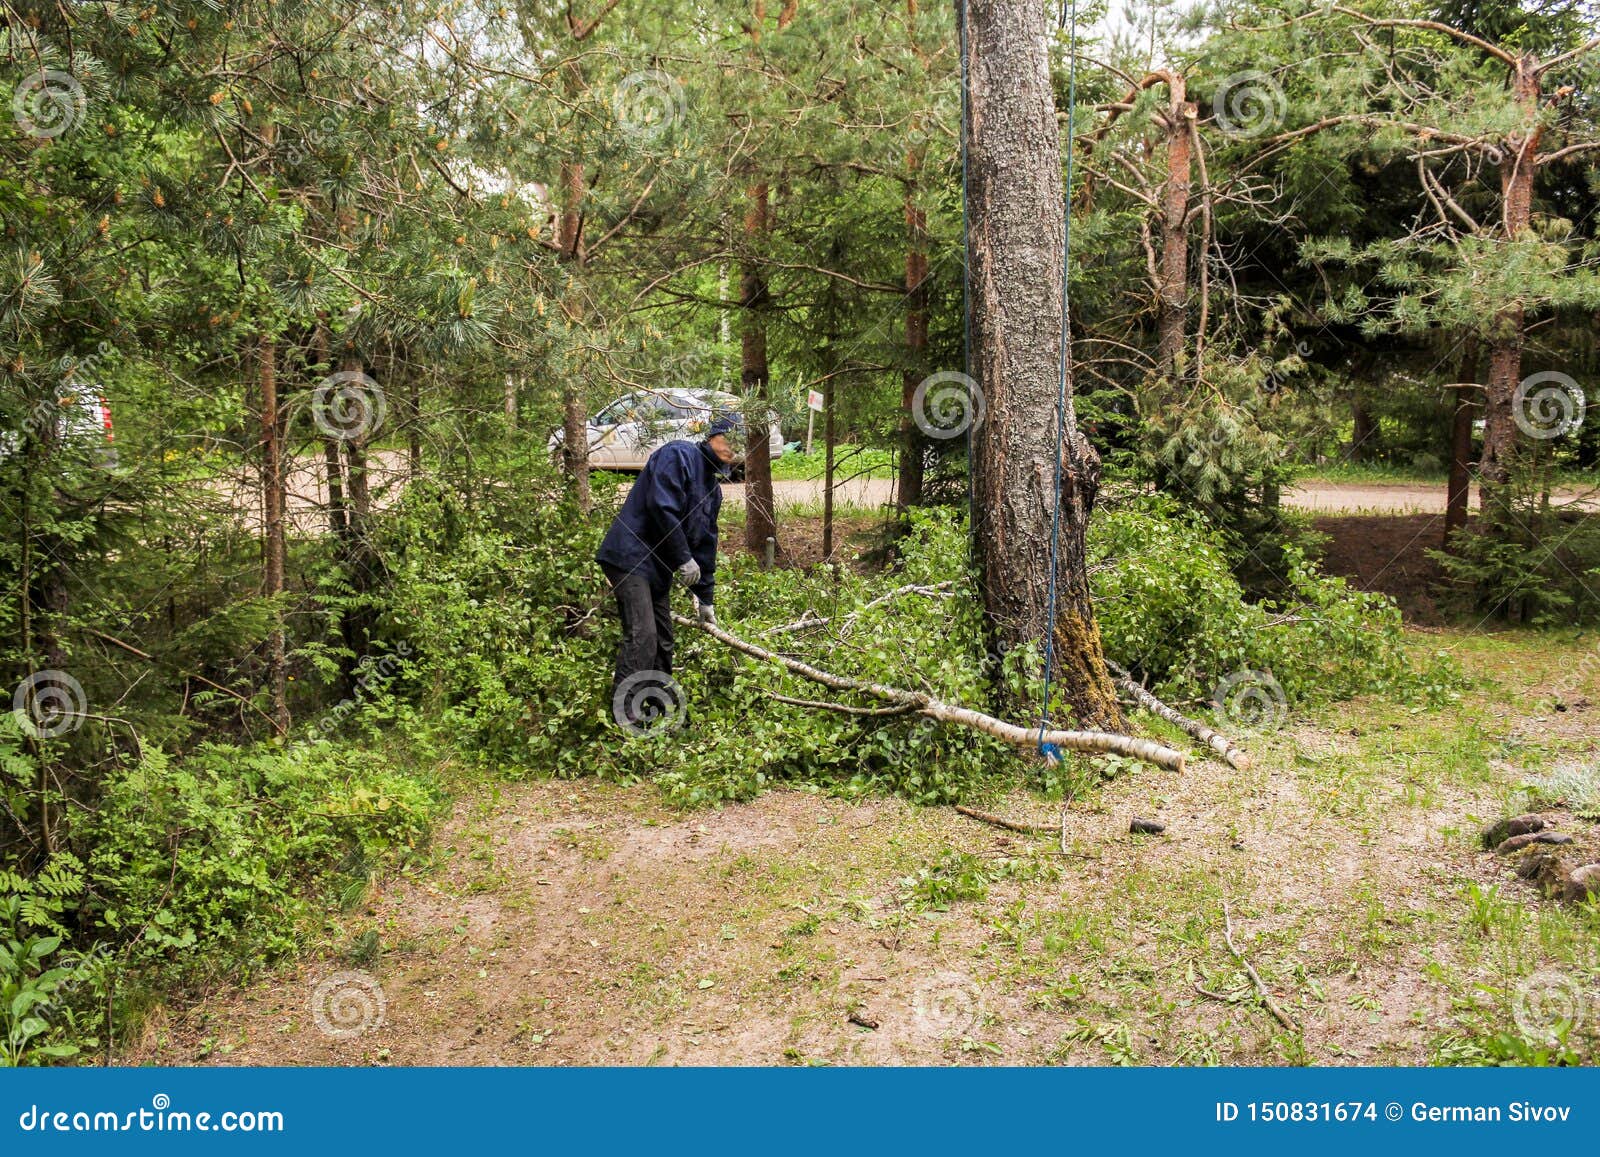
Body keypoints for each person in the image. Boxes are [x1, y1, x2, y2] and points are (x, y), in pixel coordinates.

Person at [595, 411, 741, 729]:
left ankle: (658, 710)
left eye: (739, 444)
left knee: (663, 640)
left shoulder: (712, 490)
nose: (733, 447)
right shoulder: (679, 454)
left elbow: (705, 545)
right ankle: (626, 720)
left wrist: (705, 598)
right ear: (714, 436)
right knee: (643, 635)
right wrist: (682, 558)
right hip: (629, 556)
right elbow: (662, 508)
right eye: (730, 438)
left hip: (656, 569)